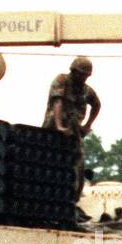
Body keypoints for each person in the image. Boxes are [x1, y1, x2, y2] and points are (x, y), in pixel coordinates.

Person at [42, 55, 100, 198]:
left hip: (74, 131)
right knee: (47, 160)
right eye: (82, 74)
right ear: (74, 71)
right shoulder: (62, 80)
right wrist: (59, 126)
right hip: (53, 128)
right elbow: (58, 102)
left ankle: (72, 198)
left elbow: (97, 105)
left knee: (77, 165)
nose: (84, 78)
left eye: (87, 76)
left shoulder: (86, 90)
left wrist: (87, 125)